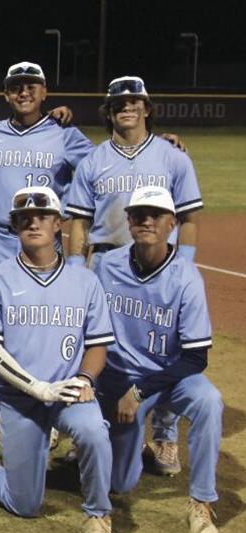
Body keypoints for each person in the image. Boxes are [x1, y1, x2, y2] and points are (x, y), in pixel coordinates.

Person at [65, 75, 204, 475]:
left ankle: (164, 435)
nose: (127, 107)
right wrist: (77, 268)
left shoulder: (172, 156)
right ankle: (95, 429)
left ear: (146, 107)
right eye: (119, 103)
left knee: (164, 347)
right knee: (103, 349)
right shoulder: (94, 160)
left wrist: (185, 263)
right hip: (109, 265)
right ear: (109, 111)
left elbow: (190, 217)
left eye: (134, 101)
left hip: (162, 269)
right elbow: (79, 221)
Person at [0, 186, 116, 533]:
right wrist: (36, 387)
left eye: (42, 216)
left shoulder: (85, 281)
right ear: (15, 226)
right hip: (20, 400)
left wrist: (85, 378)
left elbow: (98, 344)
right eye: (24, 218)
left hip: (69, 394)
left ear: (58, 225)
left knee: (95, 432)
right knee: (26, 506)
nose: (33, 222)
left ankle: (98, 514)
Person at [0, 61, 91, 445]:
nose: (23, 92)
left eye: (31, 85)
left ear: (44, 92)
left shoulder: (64, 134)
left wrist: (158, 140)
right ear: (5, 94)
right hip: (2, 239)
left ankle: (50, 413)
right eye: (16, 86)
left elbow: (102, 167)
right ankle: (0, 410)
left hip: (46, 241)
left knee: (46, 325)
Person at [94, 185, 221, 533]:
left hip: (168, 377)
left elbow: (197, 356)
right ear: (130, 222)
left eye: (156, 215)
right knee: (120, 484)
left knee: (209, 401)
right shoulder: (108, 265)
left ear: (172, 224)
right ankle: (138, 448)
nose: (146, 220)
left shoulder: (186, 279)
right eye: (138, 214)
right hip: (119, 379)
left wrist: (141, 390)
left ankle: (202, 502)